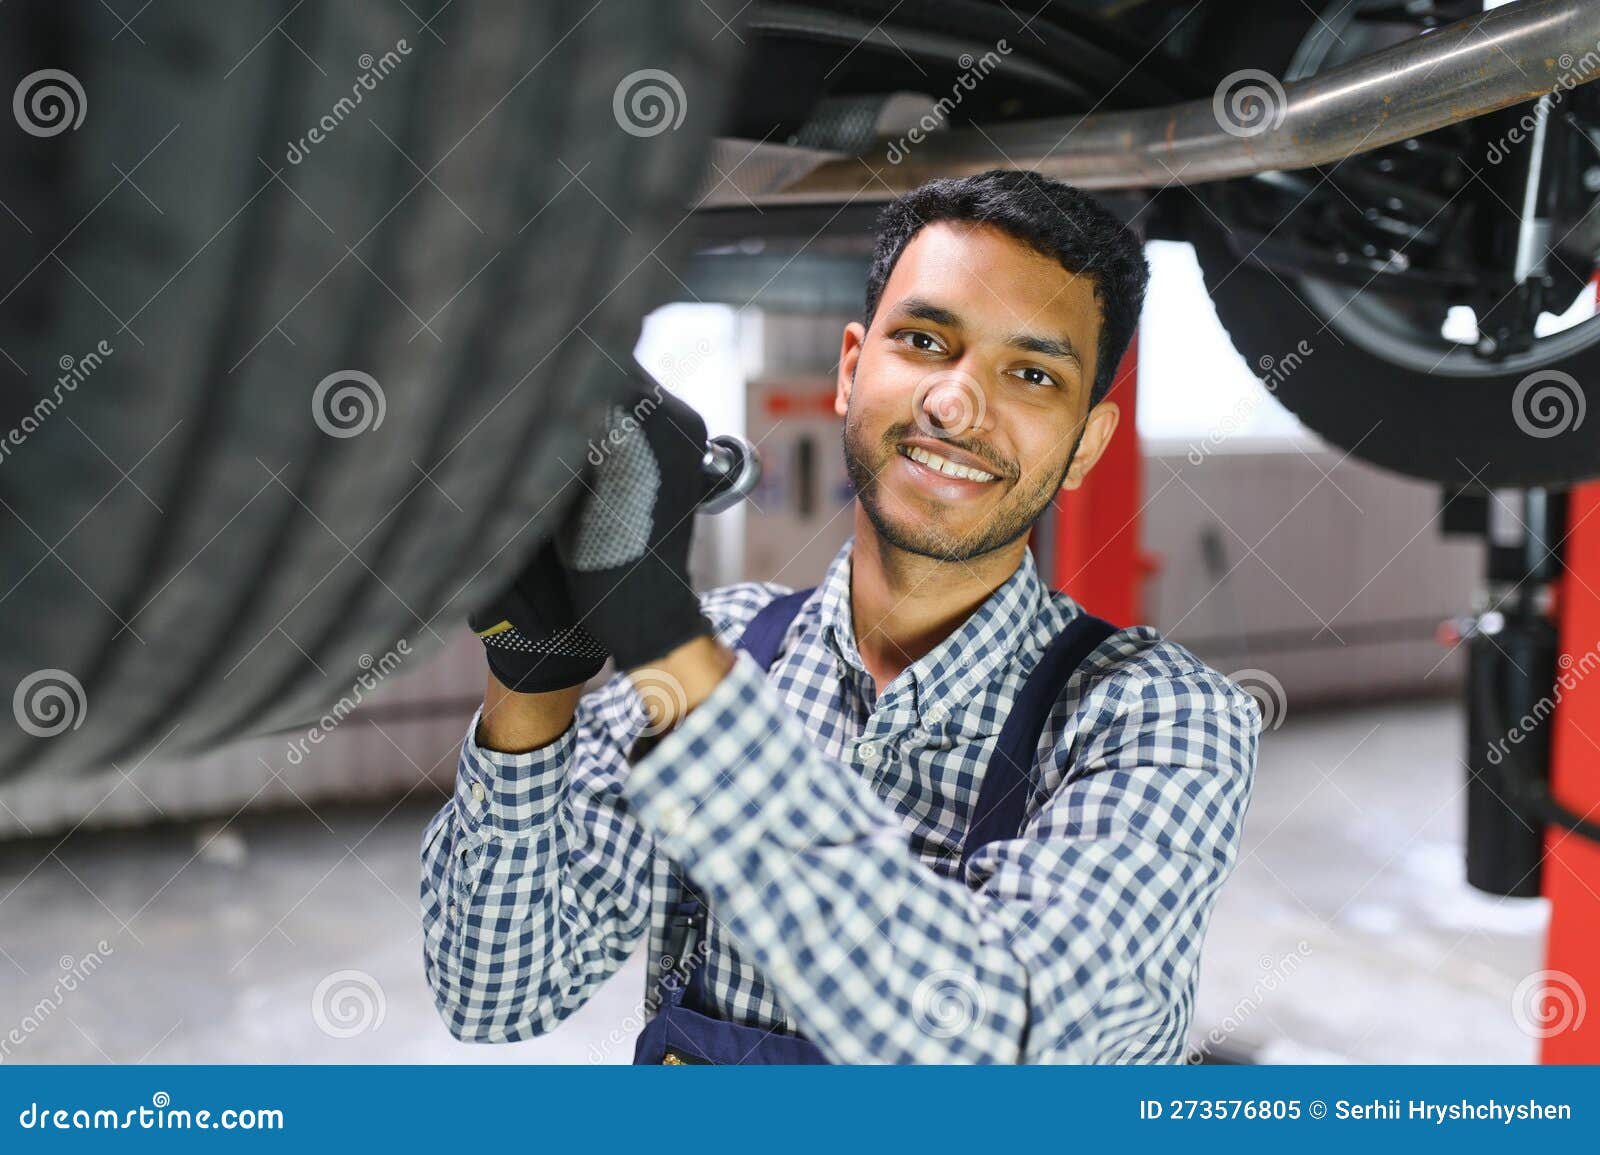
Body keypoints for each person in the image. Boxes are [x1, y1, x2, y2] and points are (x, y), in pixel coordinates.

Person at [420, 168, 1262, 1063]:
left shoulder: (1165, 718)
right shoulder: (733, 646)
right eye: (927, 340)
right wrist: (536, 681)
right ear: (853, 369)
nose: (956, 403)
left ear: (1086, 444)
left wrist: (663, 642)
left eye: (1030, 372)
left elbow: (995, 1041)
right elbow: (492, 996)